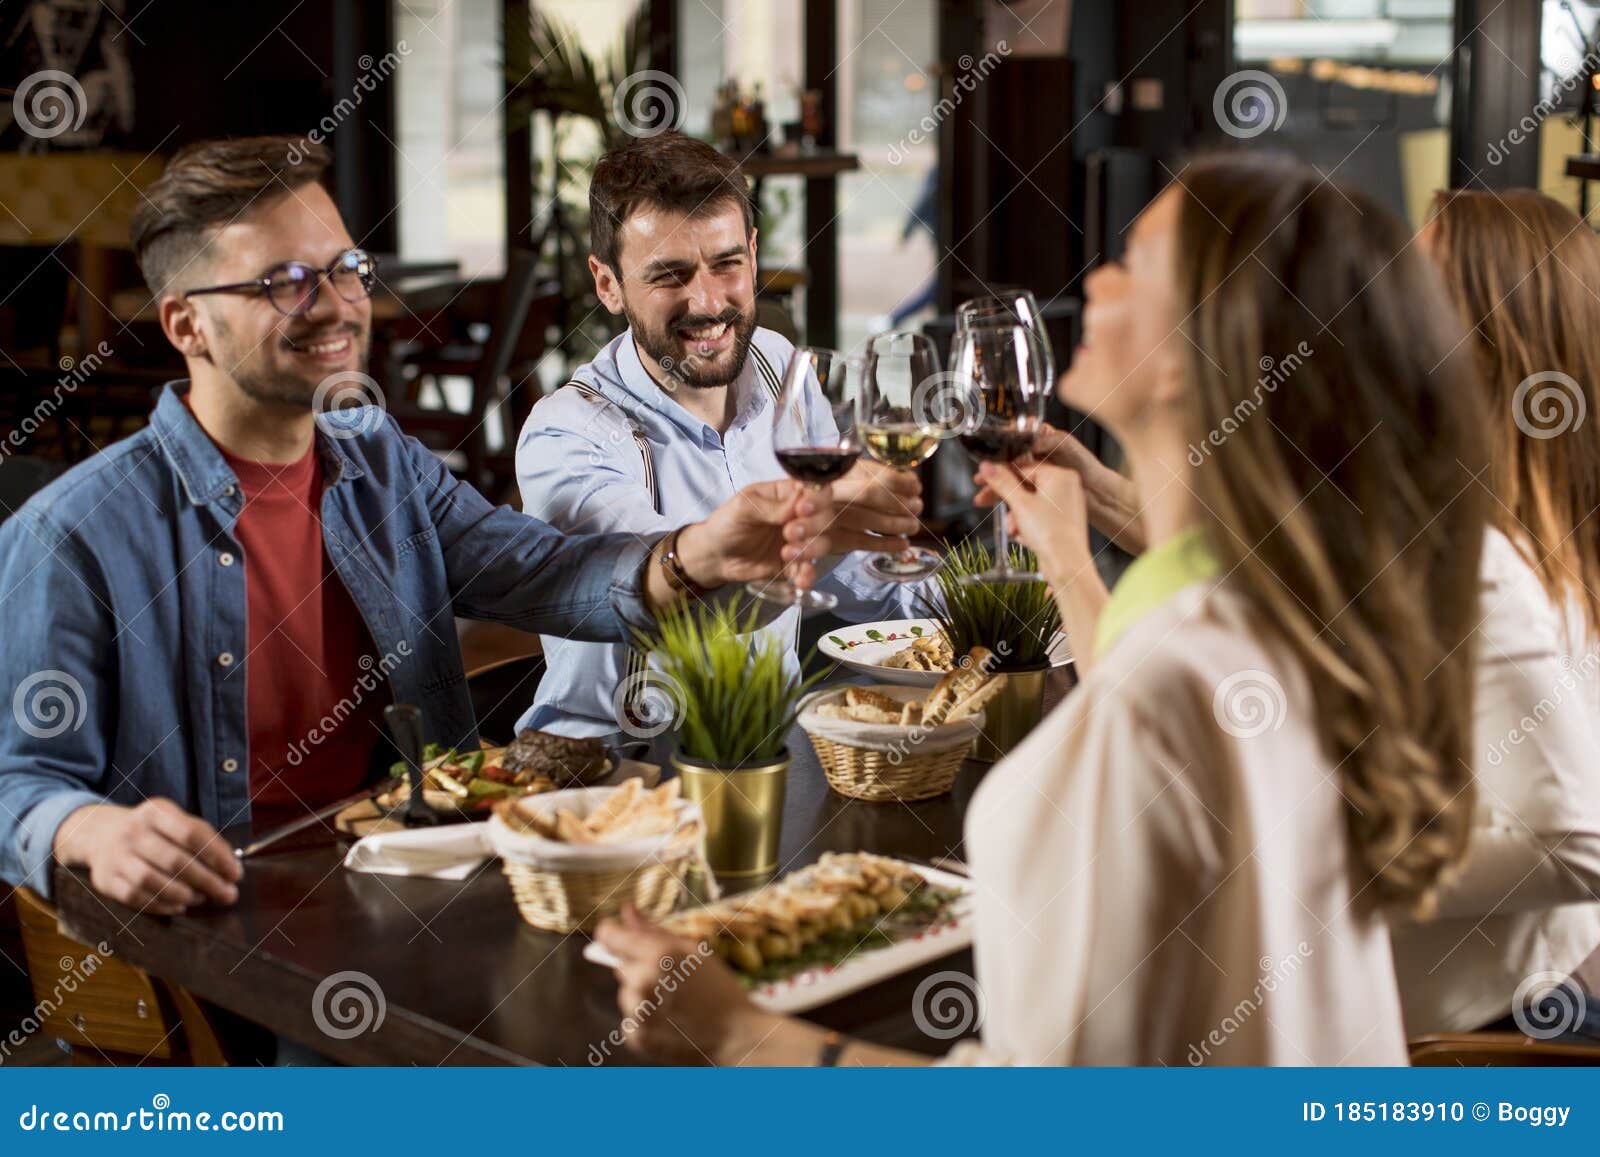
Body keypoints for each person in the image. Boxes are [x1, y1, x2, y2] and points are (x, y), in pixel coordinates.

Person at [593, 154, 1488, 1065]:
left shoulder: (1171, 684)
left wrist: (743, 1034)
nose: (1096, 277)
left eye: (1134, 263)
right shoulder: (1276, 629)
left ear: (1200, 351)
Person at [0, 136, 836, 914]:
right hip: (236, 922)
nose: (334, 307)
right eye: (285, 282)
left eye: (346, 270)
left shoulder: (377, 461)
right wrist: (90, 829)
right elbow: (18, 782)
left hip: (425, 878)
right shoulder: (71, 536)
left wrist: (700, 553)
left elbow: (541, 573)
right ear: (187, 324)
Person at [515, 132, 921, 739]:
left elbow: (853, 577)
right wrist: (815, 536)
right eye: (669, 275)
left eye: (727, 264)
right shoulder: (567, 435)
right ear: (607, 285)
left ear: (754, 256)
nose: (707, 302)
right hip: (613, 769)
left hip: (765, 746)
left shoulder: (780, 366)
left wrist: (983, 614)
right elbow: (662, 606)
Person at [1383, 189, 1600, 1033]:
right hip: (1532, 979)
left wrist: (1336, 858)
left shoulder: (1481, 551)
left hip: (1471, 1030)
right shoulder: (1545, 525)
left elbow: (1574, 842)